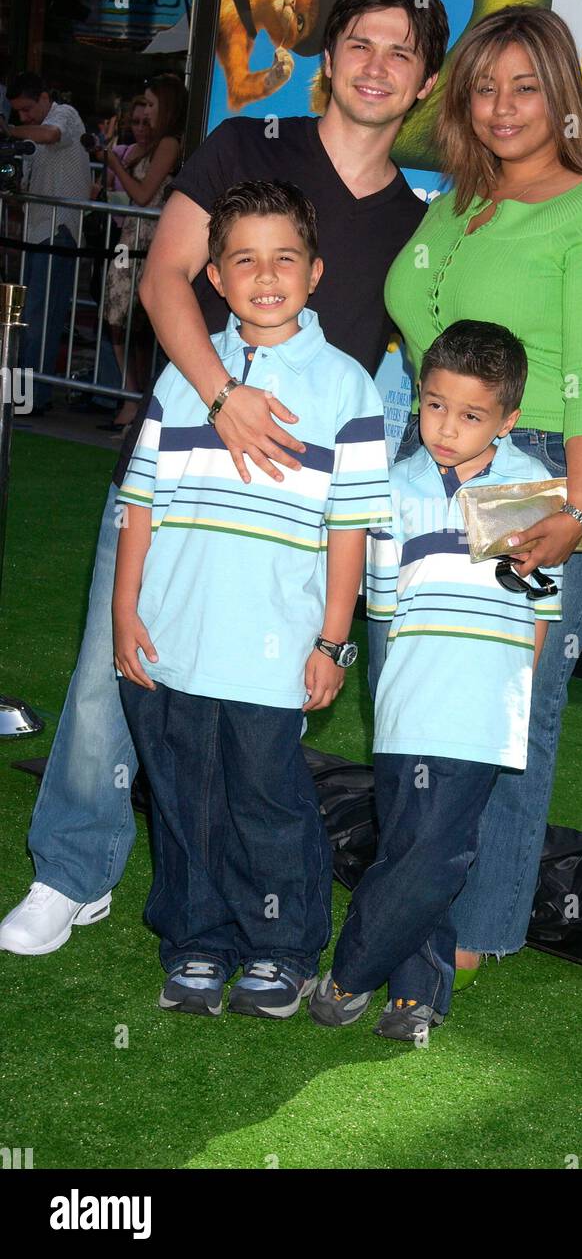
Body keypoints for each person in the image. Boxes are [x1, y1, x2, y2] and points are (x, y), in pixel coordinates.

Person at [0, 0, 448, 958]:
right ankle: (72, 869)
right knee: (107, 673)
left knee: (257, 714)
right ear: (328, 56)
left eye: (401, 53)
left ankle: (239, 909)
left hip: (293, 522)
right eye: (361, 44)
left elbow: (417, 372)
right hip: (182, 464)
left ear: (423, 84)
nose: (377, 66)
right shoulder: (250, 144)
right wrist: (219, 395)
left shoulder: (419, 223)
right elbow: (165, 278)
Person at [376, 5, 582, 983]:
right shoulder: (451, 202)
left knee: (506, 694)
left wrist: (572, 510)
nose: (501, 107)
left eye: (525, 86)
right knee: (412, 678)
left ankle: (480, 921)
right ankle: (412, 885)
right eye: (483, 86)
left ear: (563, 96)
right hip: (429, 453)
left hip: (536, 464)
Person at [113, 179, 390, 1017]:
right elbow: (140, 507)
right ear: (217, 280)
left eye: (283, 259)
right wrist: (125, 612)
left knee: (269, 806)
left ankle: (280, 948)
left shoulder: (349, 390)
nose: (264, 276)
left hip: (272, 652)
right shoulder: (182, 381)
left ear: (314, 274)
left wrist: (332, 641)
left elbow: (352, 529)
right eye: (243, 260)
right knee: (184, 803)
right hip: (170, 645)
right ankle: (197, 944)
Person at [309, 321, 561, 1043]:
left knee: (437, 849)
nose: (446, 428)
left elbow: (541, 611)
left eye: (471, 414)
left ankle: (351, 974)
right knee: (411, 847)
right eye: (433, 406)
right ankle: (416, 992)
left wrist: (510, 694)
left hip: (482, 709)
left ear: (509, 419)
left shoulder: (531, 496)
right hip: (407, 704)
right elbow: (383, 612)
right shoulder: (391, 488)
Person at [99, 75, 186, 432]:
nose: (146, 111)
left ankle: (135, 400)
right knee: (118, 318)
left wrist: (113, 161)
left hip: (148, 242)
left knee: (136, 323)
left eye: (151, 104)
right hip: (131, 239)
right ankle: (130, 395)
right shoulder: (153, 144)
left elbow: (143, 194)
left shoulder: (169, 143)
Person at [3, 72, 91, 412]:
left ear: (44, 97)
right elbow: (24, 189)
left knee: (39, 318)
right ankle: (23, 398)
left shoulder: (64, 114)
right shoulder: (32, 136)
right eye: (18, 113)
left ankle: (31, 399)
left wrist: (10, 132)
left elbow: (51, 134)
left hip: (58, 232)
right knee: (28, 318)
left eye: (27, 109)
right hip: (38, 232)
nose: (23, 117)